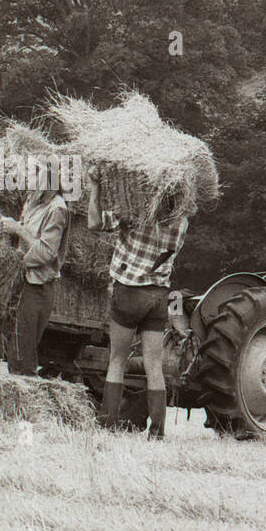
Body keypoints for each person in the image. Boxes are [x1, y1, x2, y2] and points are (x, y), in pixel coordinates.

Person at [87, 165, 188, 439]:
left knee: (117, 360)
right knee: (154, 365)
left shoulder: (134, 214)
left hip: (129, 292)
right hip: (158, 296)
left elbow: (94, 223)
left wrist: (96, 186)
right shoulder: (181, 221)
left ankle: (108, 424)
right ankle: (156, 432)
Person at [0, 161, 70, 376]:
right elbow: (23, 238)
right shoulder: (33, 201)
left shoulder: (57, 209)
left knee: (21, 356)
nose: (24, 182)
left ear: (45, 181)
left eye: (30, 177)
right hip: (16, 279)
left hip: (35, 287)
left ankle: (22, 401)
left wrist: (18, 230)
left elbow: (46, 253)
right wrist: (2, 223)